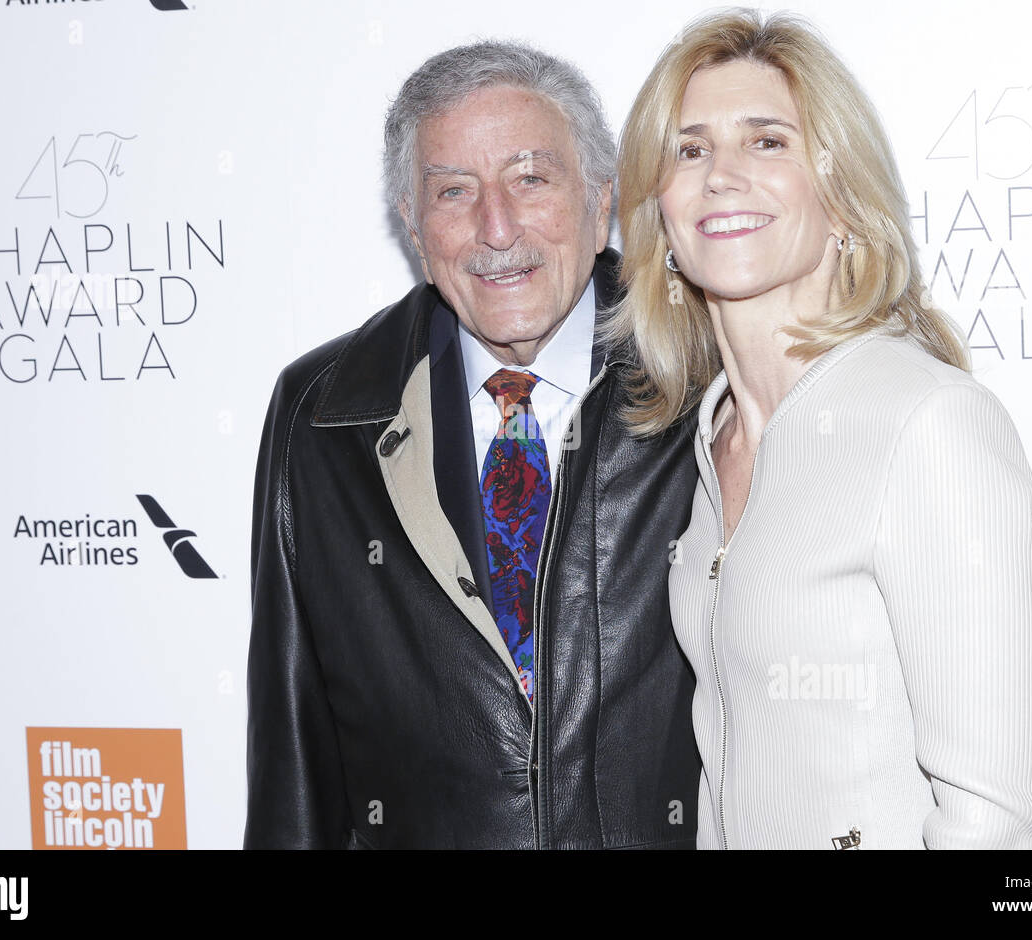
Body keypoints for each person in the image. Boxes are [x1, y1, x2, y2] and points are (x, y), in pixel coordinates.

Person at [602, 9, 1032, 849]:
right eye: (689, 149)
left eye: (767, 141)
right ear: (659, 216)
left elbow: (997, 824)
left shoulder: (927, 423)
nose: (721, 175)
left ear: (842, 197)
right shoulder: (713, 442)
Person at [244, 40, 702, 849]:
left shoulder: (705, 378)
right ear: (414, 229)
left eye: (530, 179)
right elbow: (294, 748)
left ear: (602, 203)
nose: (497, 229)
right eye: (454, 192)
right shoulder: (323, 414)